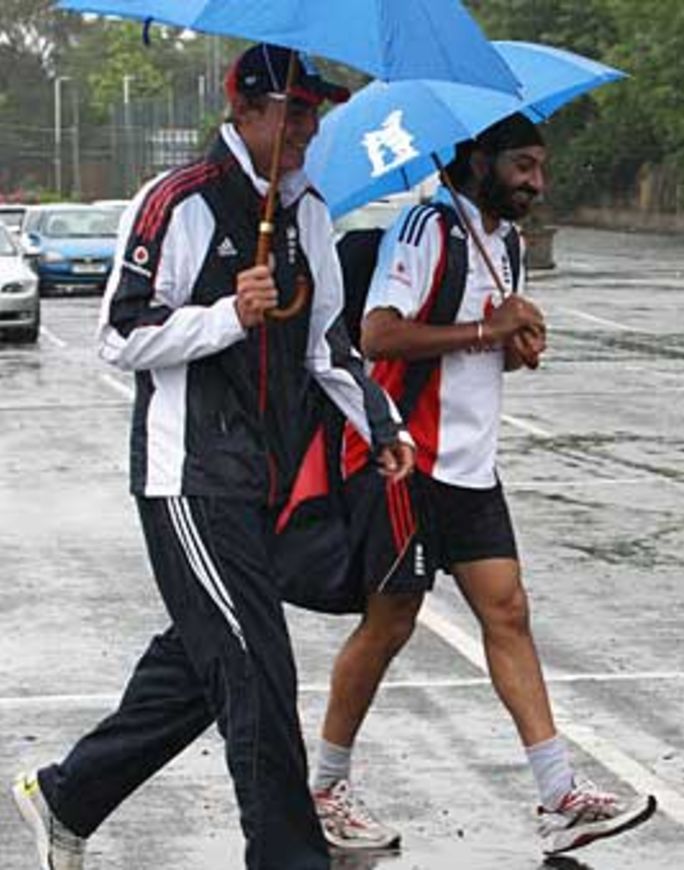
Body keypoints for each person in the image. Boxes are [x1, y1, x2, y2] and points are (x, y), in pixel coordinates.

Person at [10, 43, 415, 869]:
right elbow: (120, 333)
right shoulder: (179, 203)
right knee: (257, 668)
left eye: (314, 113)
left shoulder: (305, 213)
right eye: (294, 112)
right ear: (247, 111)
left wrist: (383, 426)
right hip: (188, 480)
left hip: (267, 481)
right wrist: (229, 312)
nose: (308, 128)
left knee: (203, 662)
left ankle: (68, 794)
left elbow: (328, 345)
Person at [308, 113, 656, 857]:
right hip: (406, 459)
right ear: (479, 161)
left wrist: (513, 346)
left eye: (540, 167)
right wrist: (486, 333)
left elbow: (485, 345)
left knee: (510, 613)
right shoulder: (425, 229)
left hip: (470, 466)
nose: (537, 181)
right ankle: (324, 789)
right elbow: (378, 336)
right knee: (390, 622)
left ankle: (560, 796)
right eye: (524, 166)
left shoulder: (505, 244)